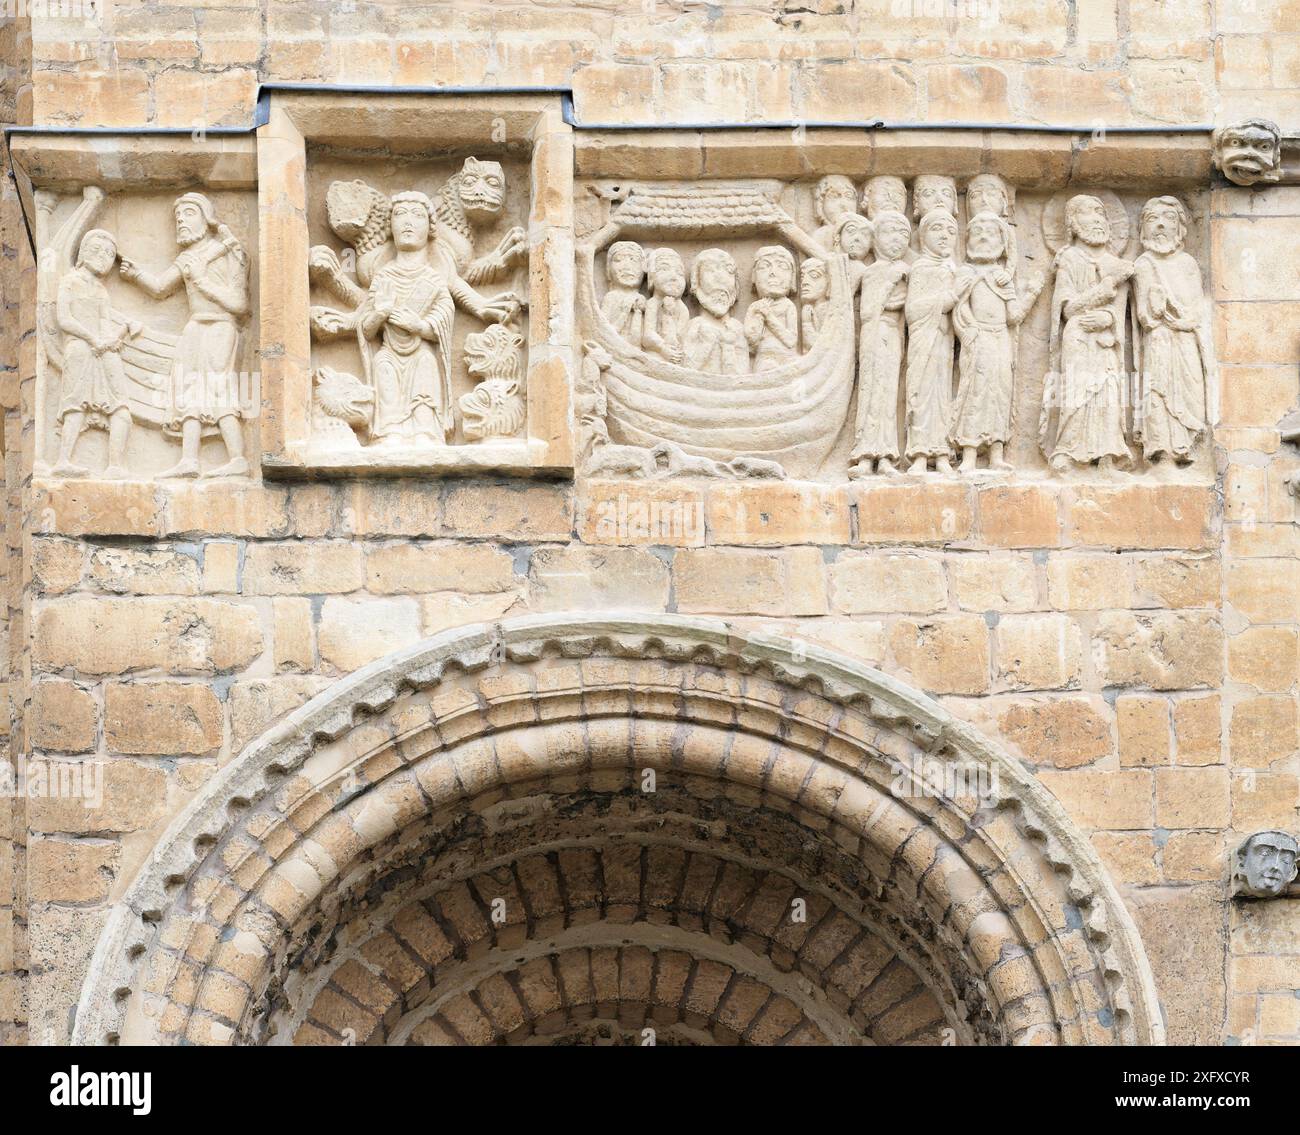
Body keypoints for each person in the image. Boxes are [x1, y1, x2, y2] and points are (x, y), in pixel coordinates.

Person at [119, 192, 249, 477]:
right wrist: (135, 274)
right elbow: (160, 287)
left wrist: (202, 280)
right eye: (178, 216)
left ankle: (238, 458)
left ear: (207, 218)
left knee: (218, 389)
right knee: (188, 389)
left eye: (189, 213)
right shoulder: (188, 257)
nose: (181, 221)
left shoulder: (229, 251)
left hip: (219, 326)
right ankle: (190, 460)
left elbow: (240, 305)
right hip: (194, 328)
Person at [355, 191, 456, 446]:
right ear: (390, 226)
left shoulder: (433, 278)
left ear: (430, 228)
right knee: (382, 364)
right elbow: (366, 331)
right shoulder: (384, 277)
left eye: (418, 216)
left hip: (420, 351)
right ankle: (390, 431)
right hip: (390, 351)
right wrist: (380, 312)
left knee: (425, 362)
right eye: (400, 215)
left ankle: (425, 430)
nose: (408, 222)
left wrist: (420, 326)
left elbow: (444, 320)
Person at [1045, 194, 1134, 474]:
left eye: (1100, 213)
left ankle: (1107, 457)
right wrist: (1101, 291)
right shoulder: (1069, 259)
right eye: (1087, 213)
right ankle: (1067, 452)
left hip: (1106, 340)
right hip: (1078, 338)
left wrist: (1106, 317)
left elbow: (1118, 309)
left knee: (1108, 393)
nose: (1096, 218)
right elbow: (1068, 308)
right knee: (1076, 393)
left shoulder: (1117, 264)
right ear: (1073, 223)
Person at [950, 211, 1044, 473]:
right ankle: (969, 452)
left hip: (1000, 339)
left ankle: (996, 452)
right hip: (977, 338)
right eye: (977, 233)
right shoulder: (966, 272)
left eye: (990, 234)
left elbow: (1013, 316)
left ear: (1003, 244)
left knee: (1000, 394)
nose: (983, 238)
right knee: (974, 391)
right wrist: (969, 329)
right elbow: (959, 305)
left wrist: (1032, 292)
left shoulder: (1003, 278)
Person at [53, 229, 139, 478]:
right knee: (75, 404)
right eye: (98, 250)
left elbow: (103, 323)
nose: (104, 257)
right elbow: (64, 319)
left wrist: (113, 340)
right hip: (80, 349)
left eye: (110, 254)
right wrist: (92, 338)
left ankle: (115, 465)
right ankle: (63, 461)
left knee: (120, 404)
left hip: (102, 350)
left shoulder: (101, 290)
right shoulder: (69, 281)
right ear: (84, 252)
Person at [1132, 196, 1209, 467]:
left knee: (1189, 392)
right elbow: (1143, 313)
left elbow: (1198, 307)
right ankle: (1161, 451)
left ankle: (1184, 446)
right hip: (1159, 339)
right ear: (1143, 229)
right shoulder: (1143, 264)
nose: (1161, 225)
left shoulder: (1187, 263)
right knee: (1158, 390)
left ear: (1180, 228)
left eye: (1169, 219)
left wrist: (1182, 318)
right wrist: (1155, 308)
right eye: (1153, 219)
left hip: (1186, 338)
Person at [904, 210, 968, 474]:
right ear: (922, 236)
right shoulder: (920, 267)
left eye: (952, 231)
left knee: (942, 397)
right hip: (924, 340)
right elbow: (912, 311)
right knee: (921, 393)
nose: (945, 236)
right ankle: (919, 453)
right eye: (937, 229)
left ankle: (941, 452)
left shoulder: (953, 269)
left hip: (945, 343)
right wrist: (949, 298)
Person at [849, 210, 911, 477]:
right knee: (871, 392)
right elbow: (868, 311)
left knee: (887, 396)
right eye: (889, 233)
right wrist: (893, 281)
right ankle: (864, 455)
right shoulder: (874, 272)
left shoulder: (906, 271)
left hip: (893, 338)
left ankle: (886, 456)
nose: (896, 240)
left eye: (903, 235)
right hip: (874, 335)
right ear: (875, 239)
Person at [683, 248, 748, 375]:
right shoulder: (695, 326)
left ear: (736, 287)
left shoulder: (737, 329)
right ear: (696, 285)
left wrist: (728, 346)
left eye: (728, 271)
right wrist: (706, 344)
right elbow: (686, 369)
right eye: (710, 270)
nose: (720, 278)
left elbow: (741, 374)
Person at [744, 245, 799, 369]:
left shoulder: (788, 306)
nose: (773, 272)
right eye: (764, 266)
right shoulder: (755, 307)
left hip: (788, 358)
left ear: (792, 278)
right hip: (764, 359)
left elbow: (790, 340)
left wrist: (769, 317)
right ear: (754, 276)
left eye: (782, 266)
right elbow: (751, 345)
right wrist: (759, 317)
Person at [641, 248, 690, 364]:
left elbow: (680, 337)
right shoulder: (653, 303)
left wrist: (669, 315)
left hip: (677, 355)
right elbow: (647, 336)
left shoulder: (682, 309)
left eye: (679, 273)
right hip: (657, 353)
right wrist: (663, 349)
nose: (674, 277)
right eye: (664, 269)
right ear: (651, 277)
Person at [600, 240, 647, 346]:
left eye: (633, 260)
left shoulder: (644, 300)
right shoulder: (611, 297)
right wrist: (625, 312)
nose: (627, 266)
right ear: (608, 269)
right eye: (619, 260)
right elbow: (604, 330)